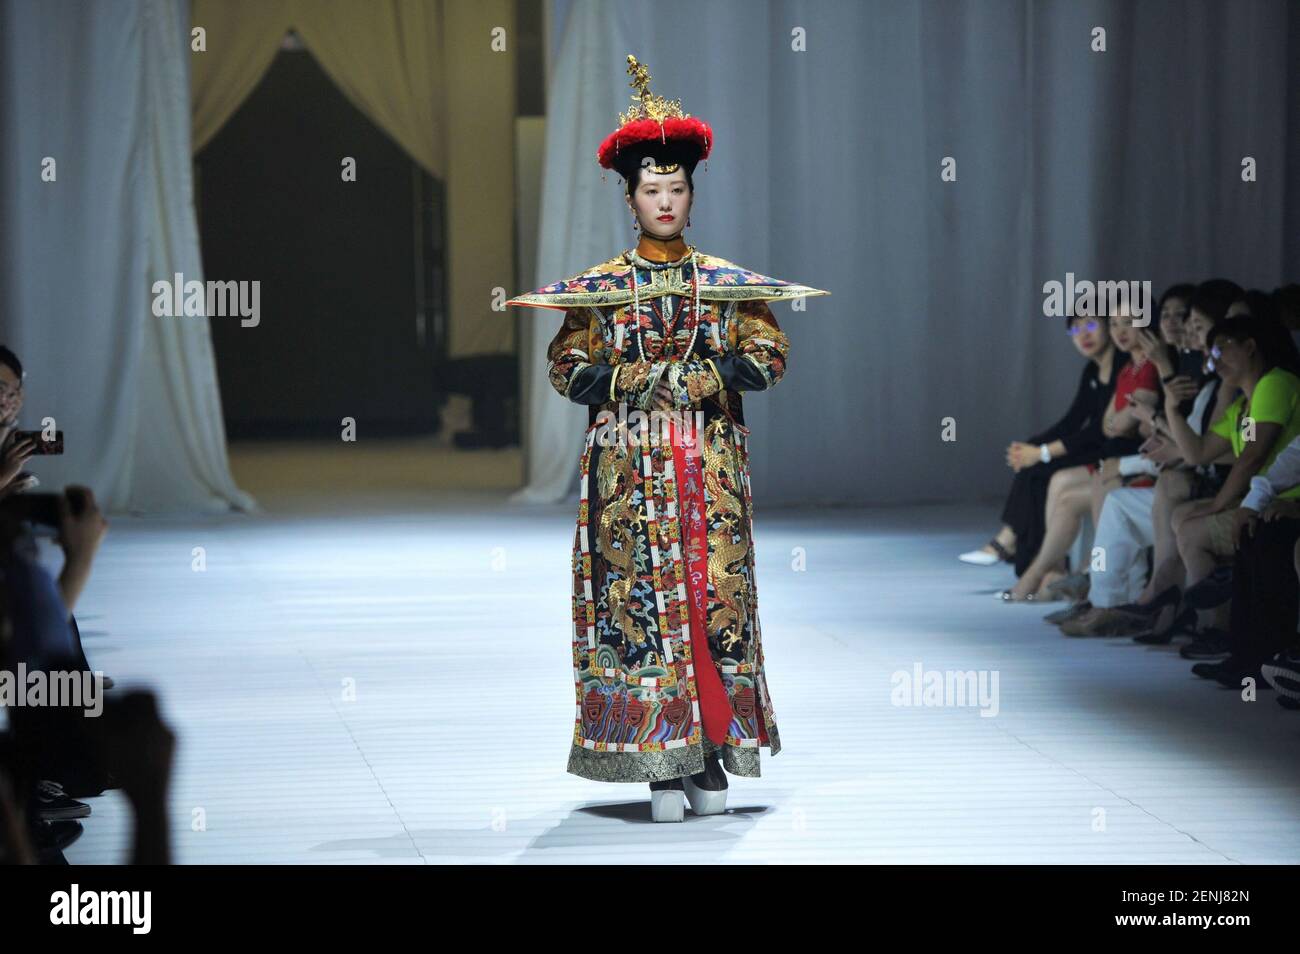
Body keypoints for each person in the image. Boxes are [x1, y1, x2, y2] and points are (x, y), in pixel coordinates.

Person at [506, 56, 828, 823]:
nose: (665, 200)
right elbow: (565, 365)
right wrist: (631, 381)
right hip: (627, 472)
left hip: (708, 468)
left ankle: (712, 750)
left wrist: (704, 378)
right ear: (630, 197)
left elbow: (769, 355)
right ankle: (660, 758)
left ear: (691, 194)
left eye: (676, 188)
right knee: (644, 602)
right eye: (651, 189)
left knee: (713, 595)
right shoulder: (601, 289)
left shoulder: (722, 281)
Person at [960, 310, 1123, 576]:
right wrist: (1029, 448)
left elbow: (1098, 430)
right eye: (1075, 329)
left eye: (1091, 324)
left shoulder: (1123, 365)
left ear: (1109, 325)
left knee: (1039, 468)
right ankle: (1025, 555)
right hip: (1096, 446)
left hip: (1113, 450)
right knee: (1034, 465)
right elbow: (1072, 421)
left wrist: (1043, 452)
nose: (1083, 334)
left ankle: (1012, 547)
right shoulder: (1093, 369)